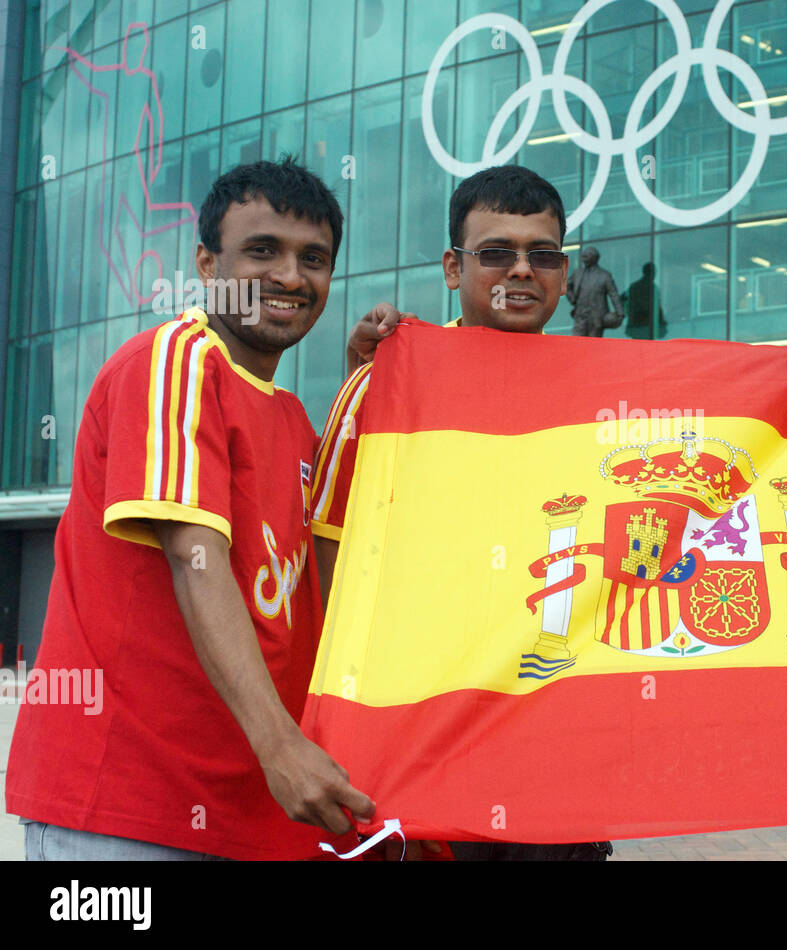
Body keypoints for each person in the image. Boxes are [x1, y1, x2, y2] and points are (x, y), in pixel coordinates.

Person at [6, 157, 394, 861]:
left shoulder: (295, 419)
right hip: (128, 813)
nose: (289, 276)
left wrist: (367, 381)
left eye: (314, 258)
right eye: (262, 250)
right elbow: (198, 556)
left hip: (257, 818)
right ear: (207, 265)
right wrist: (280, 745)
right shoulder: (174, 362)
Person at [312, 164, 612, 861]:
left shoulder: (600, 403)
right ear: (453, 267)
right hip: (428, 764)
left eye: (542, 255)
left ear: (564, 276)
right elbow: (329, 572)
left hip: (562, 767)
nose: (520, 271)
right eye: (495, 253)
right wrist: (371, 753)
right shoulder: (384, 387)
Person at [565, 245, 624, 337]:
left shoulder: (605, 275)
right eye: (583, 256)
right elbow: (567, 286)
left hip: (597, 316)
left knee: (593, 345)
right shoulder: (577, 273)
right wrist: (572, 299)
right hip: (580, 315)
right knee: (576, 343)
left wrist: (620, 312)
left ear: (595, 257)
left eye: (586, 256)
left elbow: (613, 294)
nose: (584, 259)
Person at [623, 262, 665, 340]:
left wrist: (627, 312)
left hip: (637, 326)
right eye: (654, 272)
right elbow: (656, 306)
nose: (654, 275)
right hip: (645, 325)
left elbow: (622, 299)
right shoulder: (653, 288)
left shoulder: (634, 286)